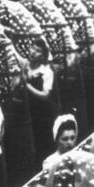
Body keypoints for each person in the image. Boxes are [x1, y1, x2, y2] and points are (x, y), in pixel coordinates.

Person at [24, 37, 60, 174]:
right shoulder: (25, 66)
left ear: (43, 55)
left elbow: (45, 95)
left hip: (44, 114)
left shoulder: (46, 71)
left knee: (43, 144)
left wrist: (27, 86)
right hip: (31, 113)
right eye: (32, 48)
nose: (33, 52)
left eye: (38, 51)